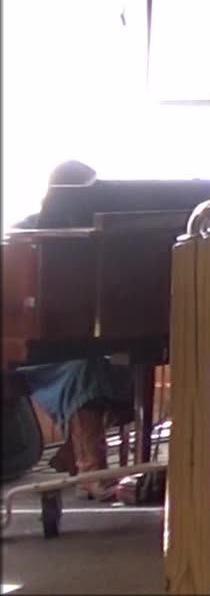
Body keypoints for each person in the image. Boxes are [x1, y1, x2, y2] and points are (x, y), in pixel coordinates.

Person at [5, 159, 136, 495]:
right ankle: (93, 473)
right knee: (86, 369)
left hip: (87, 342)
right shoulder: (25, 235)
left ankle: (79, 455)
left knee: (118, 363)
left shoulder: (105, 238)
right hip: (37, 349)